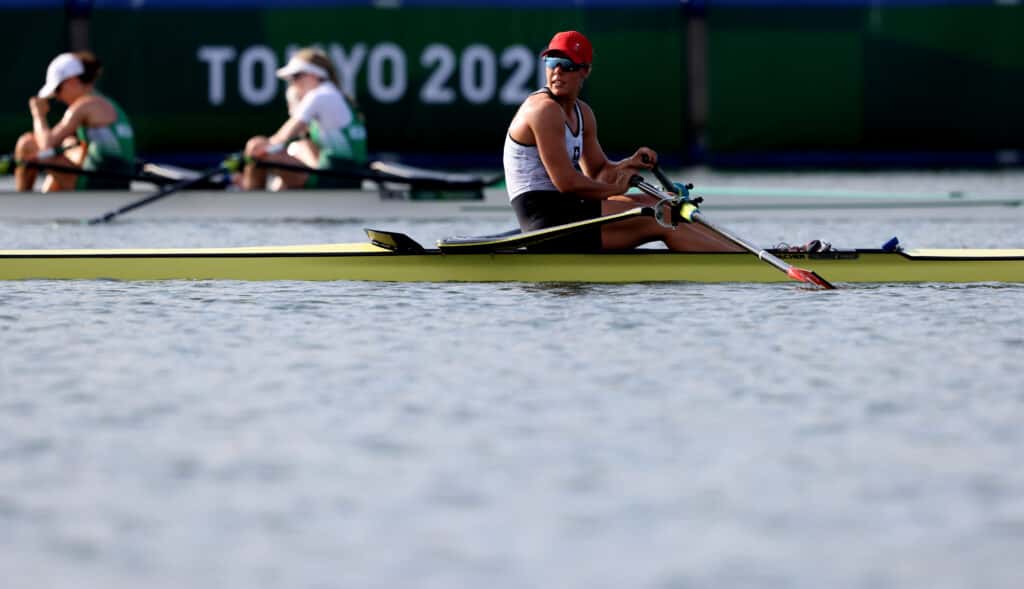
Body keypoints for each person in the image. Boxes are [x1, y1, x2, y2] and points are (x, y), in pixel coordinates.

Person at [503, 31, 741, 252]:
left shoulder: (583, 113)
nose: (557, 72)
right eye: (551, 63)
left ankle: (738, 254)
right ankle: (743, 264)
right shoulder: (543, 110)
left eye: (566, 66)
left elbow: (597, 173)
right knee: (661, 214)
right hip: (547, 225)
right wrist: (616, 189)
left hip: (570, 212)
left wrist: (630, 164)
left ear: (584, 70)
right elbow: (567, 183)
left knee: (664, 203)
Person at [241, 47, 367, 190]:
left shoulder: (319, 95)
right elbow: (307, 145)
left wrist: (250, 156)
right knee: (298, 147)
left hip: (335, 178)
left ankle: (250, 204)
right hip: (348, 175)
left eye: (295, 77)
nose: (293, 84)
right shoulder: (333, 94)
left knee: (255, 145)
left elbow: (280, 140)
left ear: (313, 75)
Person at [14, 51, 136, 192]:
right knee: (68, 146)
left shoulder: (84, 105)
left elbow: (46, 145)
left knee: (27, 144)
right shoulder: (105, 103)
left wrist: (38, 115)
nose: (58, 98)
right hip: (117, 178)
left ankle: (25, 204)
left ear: (72, 81)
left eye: (57, 90)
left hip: (101, 181)